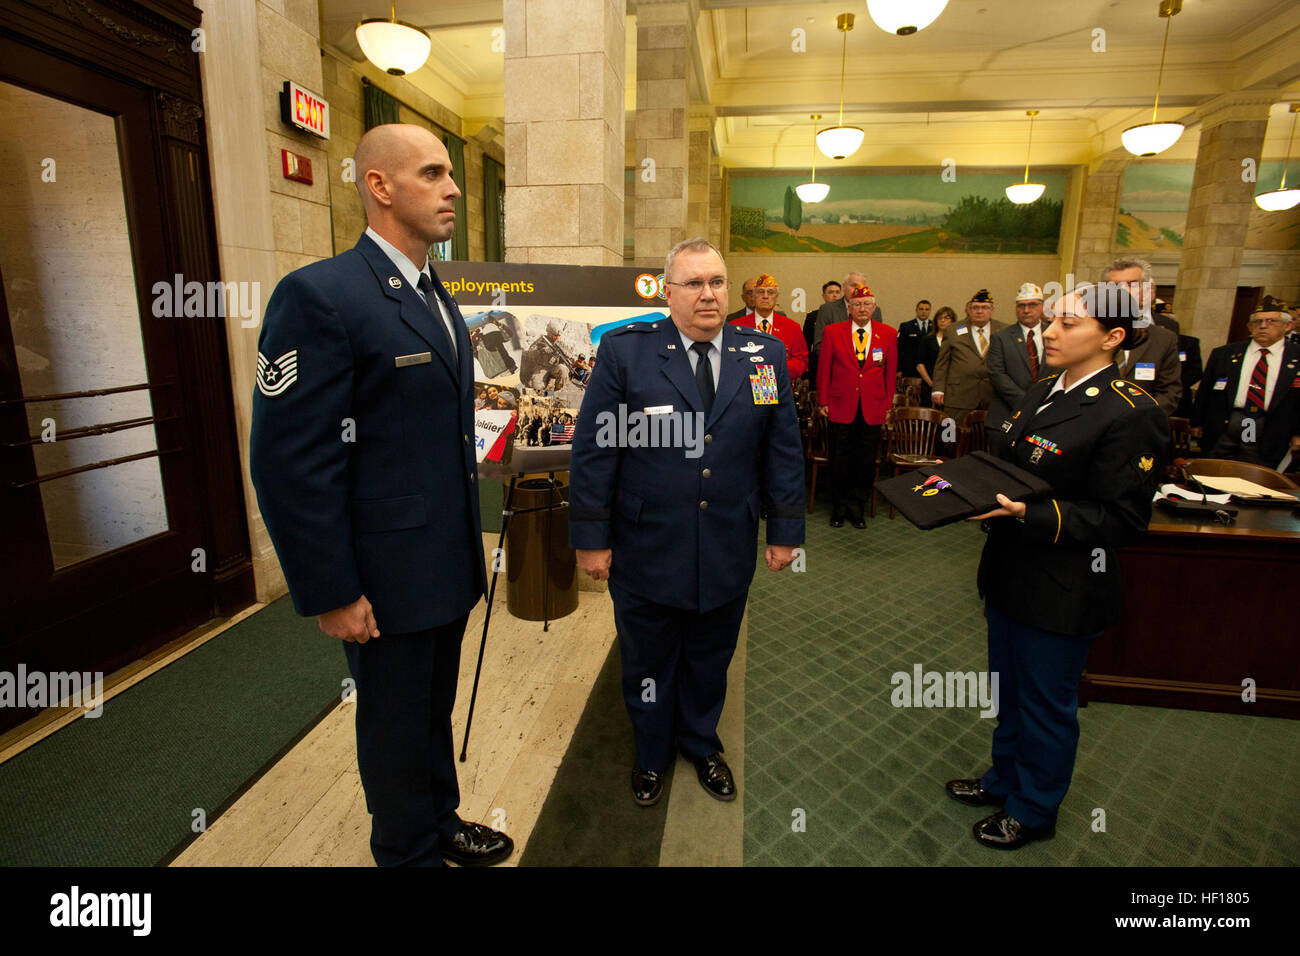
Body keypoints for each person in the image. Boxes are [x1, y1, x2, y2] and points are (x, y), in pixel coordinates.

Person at [249, 123, 511, 867]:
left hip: (446, 564)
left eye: (451, 174)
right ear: (380, 186)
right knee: (394, 734)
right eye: (433, 174)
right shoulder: (321, 295)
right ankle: (407, 852)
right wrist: (331, 589)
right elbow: (289, 461)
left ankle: (442, 819)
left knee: (431, 715)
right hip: (383, 582)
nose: (454, 188)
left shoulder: (434, 291)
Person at [569, 237, 805, 808]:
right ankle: (650, 751)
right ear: (667, 293)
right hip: (646, 543)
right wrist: (591, 541)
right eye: (694, 284)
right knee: (648, 657)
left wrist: (785, 531)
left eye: (718, 282)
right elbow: (596, 453)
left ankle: (700, 742)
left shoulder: (763, 356)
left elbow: (782, 447)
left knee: (709, 655)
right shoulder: (626, 353)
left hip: (728, 540)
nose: (708, 295)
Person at [945, 282, 1169, 850]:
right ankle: (1004, 779)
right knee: (1010, 692)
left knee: (1047, 706)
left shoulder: (1130, 412)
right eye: (1051, 321)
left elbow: (1122, 518)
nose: (1049, 331)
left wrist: (1031, 515)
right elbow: (1015, 466)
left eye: (1069, 323)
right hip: (1010, 573)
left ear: (1112, 337)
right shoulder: (1045, 389)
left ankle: (1034, 809)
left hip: (1064, 585)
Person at [816, 284, 897, 528]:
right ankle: (839, 506)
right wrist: (823, 401)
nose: (862, 308)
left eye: (867, 304)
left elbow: (890, 373)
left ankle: (857, 506)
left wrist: (887, 406)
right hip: (840, 406)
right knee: (840, 459)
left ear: (874, 307)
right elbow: (824, 370)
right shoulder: (832, 332)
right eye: (857, 304)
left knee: (865, 460)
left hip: (872, 408)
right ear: (849, 308)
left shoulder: (889, 334)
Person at [1193, 294, 1300, 469]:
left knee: (1254, 476)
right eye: (1257, 322)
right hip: (1228, 423)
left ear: (1288, 326)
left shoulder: (1296, 356)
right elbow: (1205, 390)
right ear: (1249, 326)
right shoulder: (1225, 354)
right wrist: (1196, 422)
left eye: (1272, 321)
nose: (1263, 326)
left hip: (1269, 427)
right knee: (1215, 473)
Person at [1103, 256, 1181, 415]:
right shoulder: (1086, 331)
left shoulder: (1164, 339)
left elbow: (1170, 393)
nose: (1123, 290)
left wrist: (1136, 417)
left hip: (1139, 426)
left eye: (1132, 284)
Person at [931, 288, 1005, 427]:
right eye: (975, 307)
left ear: (992, 310)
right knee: (952, 437)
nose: (979, 311)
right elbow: (942, 363)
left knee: (986, 438)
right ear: (968, 309)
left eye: (984, 307)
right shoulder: (953, 330)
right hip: (959, 397)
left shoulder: (1003, 331)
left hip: (992, 395)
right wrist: (938, 389)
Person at [986, 283, 1046, 426]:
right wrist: (1027, 403)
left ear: (1042, 307)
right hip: (1007, 414)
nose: (1026, 310)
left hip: (1045, 413)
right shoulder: (1001, 337)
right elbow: (996, 374)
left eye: (1032, 305)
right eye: (1021, 306)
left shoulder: (1054, 334)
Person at [730, 272, 809, 379]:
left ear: (776, 297)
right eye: (761, 292)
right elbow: (729, 358)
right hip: (746, 388)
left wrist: (775, 371)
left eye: (770, 292)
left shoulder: (792, 327)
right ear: (754, 296)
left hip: (781, 387)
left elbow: (801, 360)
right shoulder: (736, 326)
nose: (765, 296)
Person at [811, 271, 878, 358]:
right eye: (853, 285)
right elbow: (819, 345)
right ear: (844, 287)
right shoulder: (827, 309)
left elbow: (877, 343)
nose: (857, 289)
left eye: (861, 286)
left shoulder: (874, 310)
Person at [916, 306, 956, 407]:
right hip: (929, 384)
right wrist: (933, 384)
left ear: (953, 321)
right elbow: (920, 365)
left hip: (951, 386)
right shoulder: (927, 339)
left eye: (946, 318)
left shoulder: (957, 341)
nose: (942, 321)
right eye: (939, 318)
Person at [803, 280, 843, 380]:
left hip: (841, 364)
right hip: (819, 362)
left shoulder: (847, 315)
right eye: (830, 292)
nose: (834, 295)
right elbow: (806, 343)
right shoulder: (813, 316)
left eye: (837, 292)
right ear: (823, 296)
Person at [520, 319, 571, 393]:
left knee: (563, 369)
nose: (557, 337)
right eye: (555, 335)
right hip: (542, 368)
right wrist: (541, 351)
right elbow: (530, 353)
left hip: (554, 368)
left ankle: (556, 391)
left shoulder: (560, 343)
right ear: (549, 333)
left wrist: (564, 354)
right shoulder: (541, 340)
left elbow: (568, 355)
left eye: (558, 336)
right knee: (535, 386)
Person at [896, 300, 933, 392]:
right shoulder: (906, 326)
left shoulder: (934, 327)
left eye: (927, 309)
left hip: (928, 370)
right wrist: (899, 369)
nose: (924, 312)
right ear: (916, 310)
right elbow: (899, 349)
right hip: (910, 369)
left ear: (930, 311)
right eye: (921, 309)